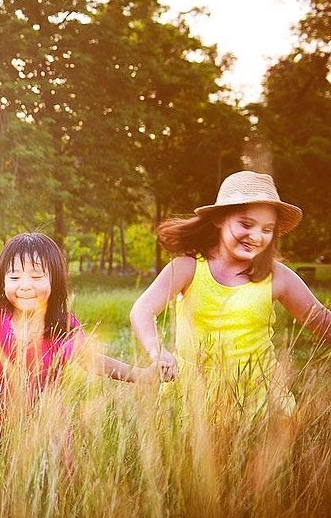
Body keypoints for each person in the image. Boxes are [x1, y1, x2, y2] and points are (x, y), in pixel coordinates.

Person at [130, 170, 331, 419]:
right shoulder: (188, 267)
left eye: (267, 229)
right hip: (194, 395)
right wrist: (156, 350)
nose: (256, 237)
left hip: (260, 397)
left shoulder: (278, 276)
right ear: (219, 219)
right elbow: (142, 310)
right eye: (246, 224)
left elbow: (323, 322)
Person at [0, 233, 161, 426]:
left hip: (49, 432)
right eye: (14, 277)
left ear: (54, 280)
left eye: (37, 276)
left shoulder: (62, 326)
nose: (25, 285)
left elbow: (94, 362)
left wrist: (142, 375)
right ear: (2, 283)